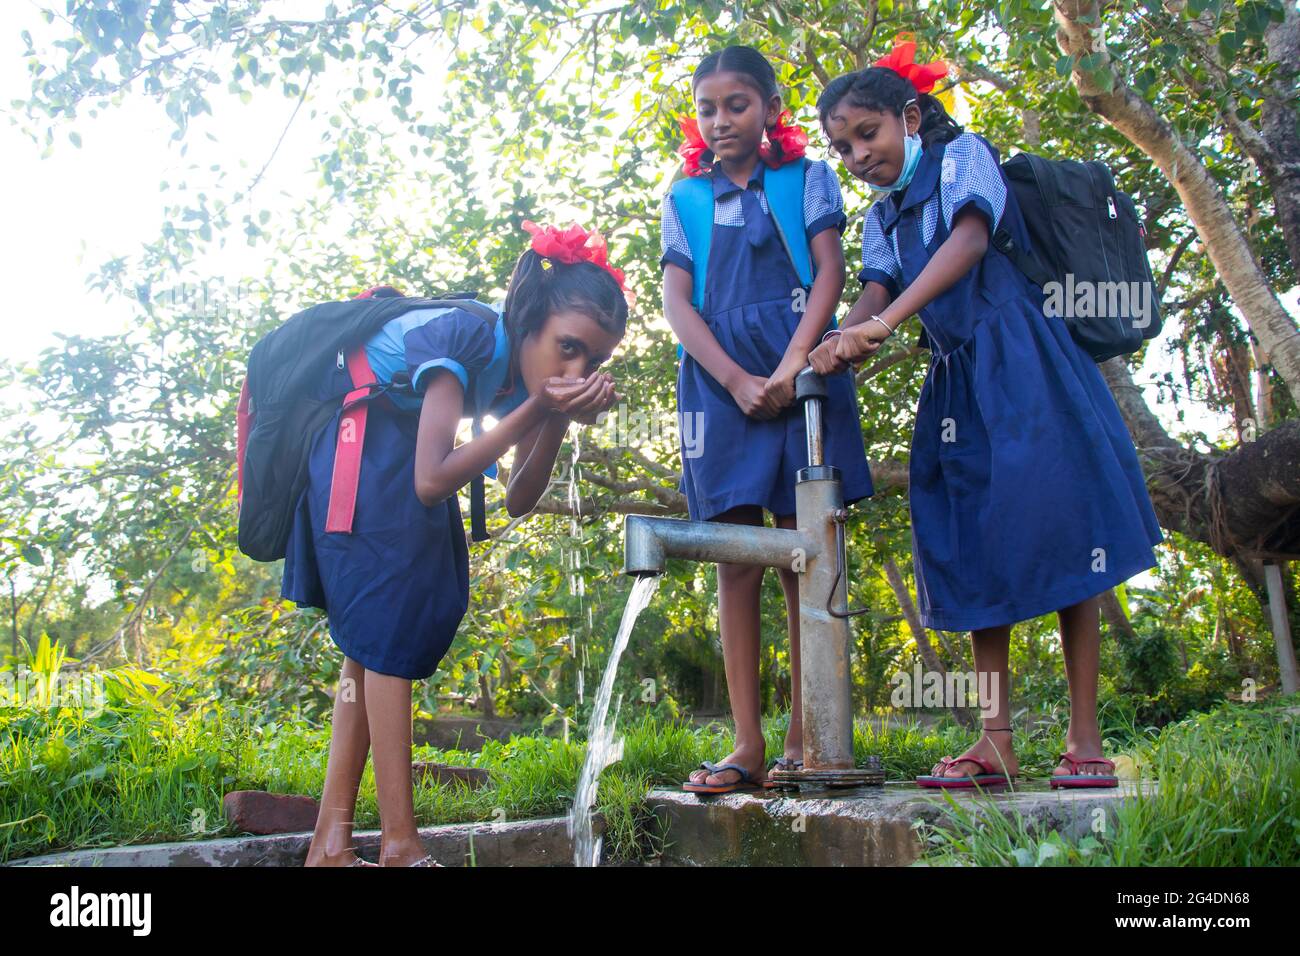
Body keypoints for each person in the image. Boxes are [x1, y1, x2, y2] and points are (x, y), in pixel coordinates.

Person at [811, 42, 1162, 789]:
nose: (857, 154)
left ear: (908, 116)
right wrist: (843, 333)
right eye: (842, 146)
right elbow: (876, 289)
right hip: (957, 383)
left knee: (1070, 532)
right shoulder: (880, 218)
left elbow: (969, 242)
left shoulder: (966, 156)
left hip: (1026, 365)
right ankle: (994, 739)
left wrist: (887, 319)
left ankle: (1084, 737)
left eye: (867, 133)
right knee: (967, 544)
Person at [283, 221, 629, 864]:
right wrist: (544, 407)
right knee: (387, 641)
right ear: (531, 320)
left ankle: (329, 846)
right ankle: (399, 845)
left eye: (595, 361)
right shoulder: (468, 334)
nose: (576, 368)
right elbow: (432, 479)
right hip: (363, 455)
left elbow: (521, 498)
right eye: (569, 347)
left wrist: (551, 412)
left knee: (366, 654)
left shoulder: (519, 377)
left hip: (392, 461)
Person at [660, 45, 874, 794]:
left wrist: (790, 368)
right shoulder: (684, 196)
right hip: (721, 388)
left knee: (805, 550)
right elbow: (677, 305)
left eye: (737, 105)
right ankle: (746, 741)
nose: (721, 120)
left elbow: (829, 274)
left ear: (771, 111)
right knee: (738, 558)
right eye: (708, 107)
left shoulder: (806, 177)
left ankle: (805, 734)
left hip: (803, 372)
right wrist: (737, 379)